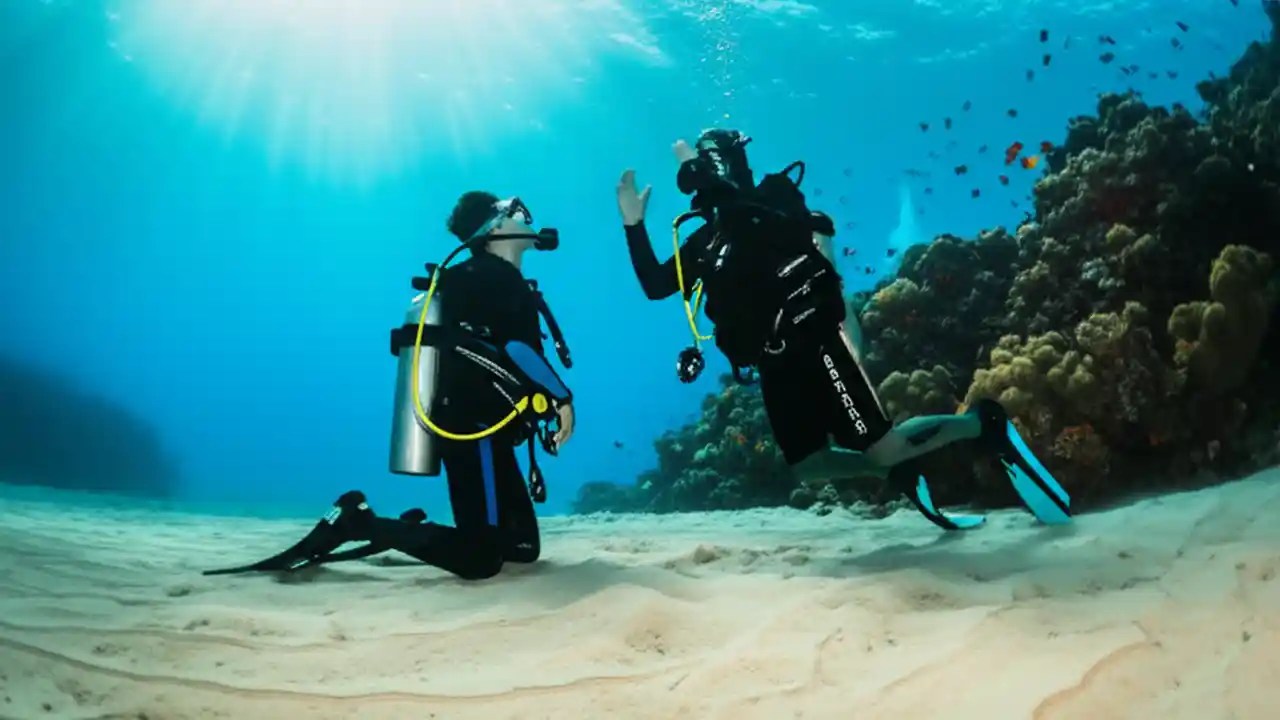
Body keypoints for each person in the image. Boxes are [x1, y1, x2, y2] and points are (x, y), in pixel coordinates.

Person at [617, 130, 1071, 530]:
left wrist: (848, 317)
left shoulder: (772, 197)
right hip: (773, 363)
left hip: (816, 342)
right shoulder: (703, 241)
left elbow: (787, 235)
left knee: (884, 445)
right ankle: (894, 474)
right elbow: (657, 285)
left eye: (709, 160)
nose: (701, 169)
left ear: (729, 164)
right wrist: (633, 224)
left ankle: (983, 424)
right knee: (808, 465)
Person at [205, 192, 577, 578]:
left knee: (521, 547)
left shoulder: (487, 277)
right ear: (495, 228)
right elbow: (516, 349)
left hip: (487, 425)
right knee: (481, 558)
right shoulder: (491, 276)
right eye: (517, 212)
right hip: (471, 425)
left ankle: (408, 532)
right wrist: (562, 398)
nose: (527, 217)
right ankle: (358, 522)